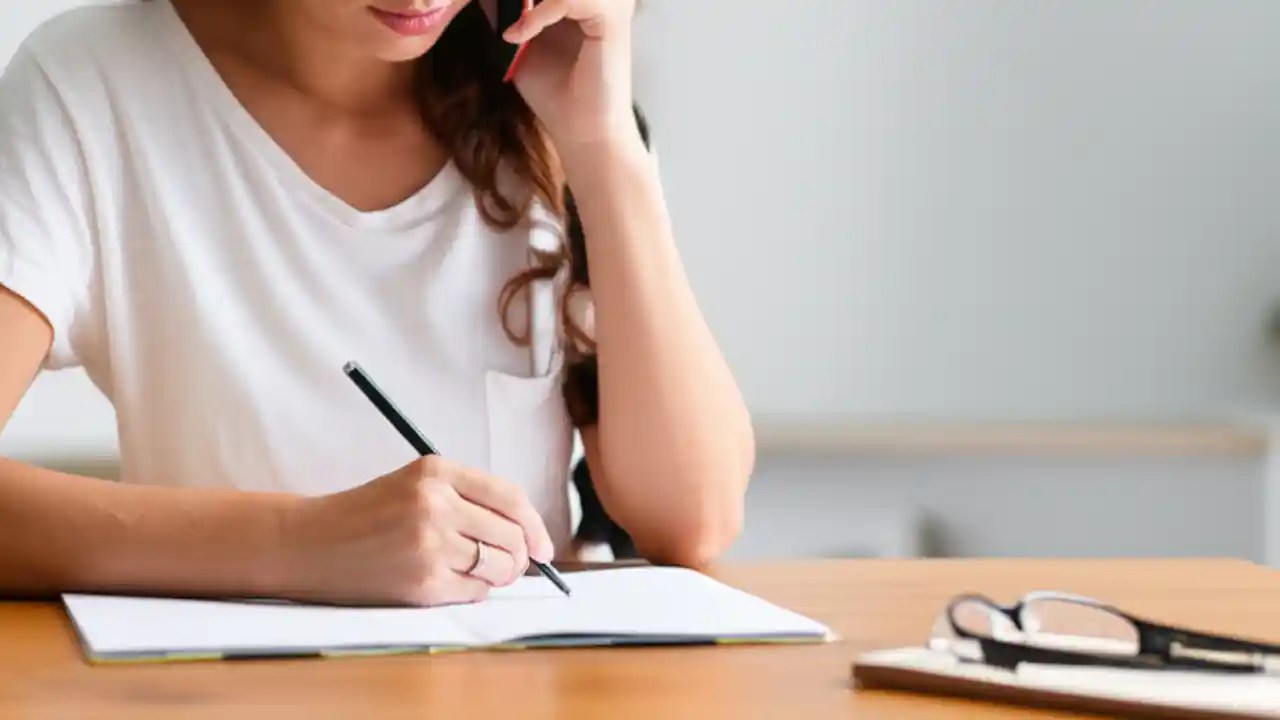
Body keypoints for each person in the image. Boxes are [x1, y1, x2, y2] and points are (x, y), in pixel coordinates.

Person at [0, 0, 754, 606]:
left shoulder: (548, 100)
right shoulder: (93, 81)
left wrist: (603, 143)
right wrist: (302, 544)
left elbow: (694, 521)